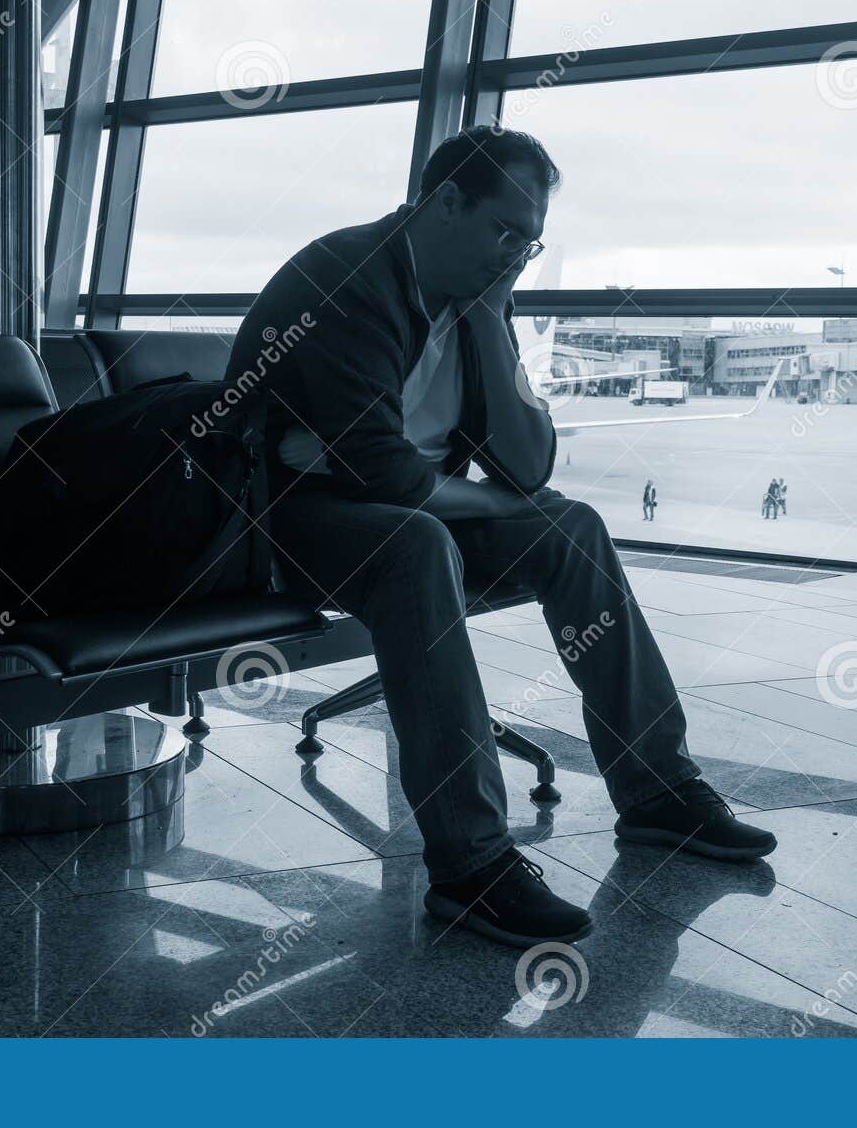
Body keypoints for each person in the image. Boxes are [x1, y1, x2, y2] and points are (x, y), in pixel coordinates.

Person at [223, 125, 776, 948]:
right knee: (419, 544)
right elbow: (383, 474)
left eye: (530, 241)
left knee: (572, 527)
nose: (516, 255)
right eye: (505, 231)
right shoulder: (345, 277)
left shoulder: (478, 292)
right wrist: (491, 498)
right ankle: (471, 864)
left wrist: (487, 320)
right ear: (446, 202)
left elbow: (530, 460)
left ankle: (659, 790)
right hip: (286, 518)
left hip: (415, 508)